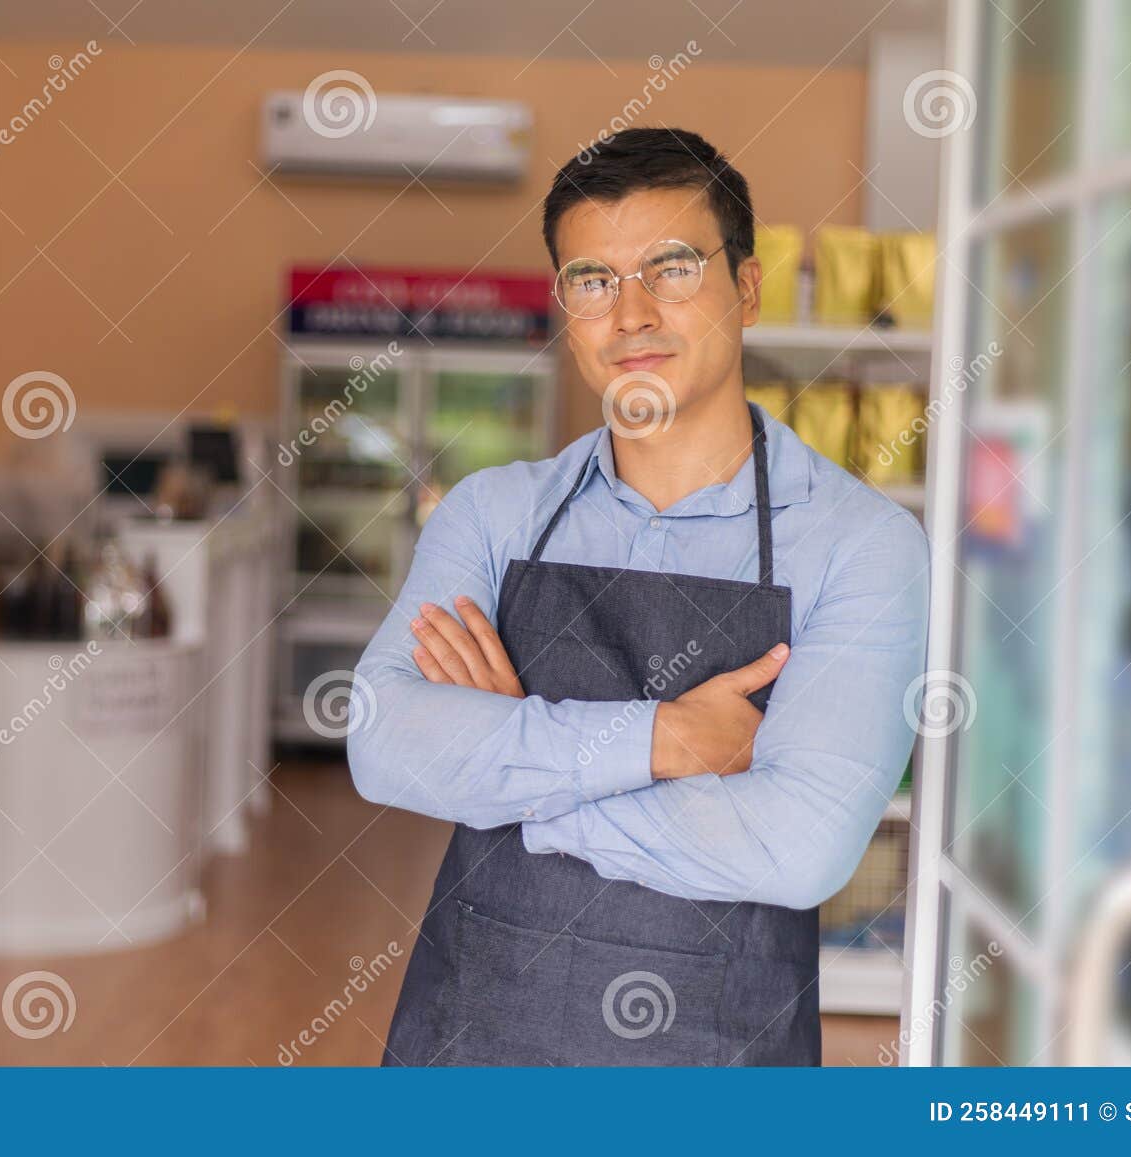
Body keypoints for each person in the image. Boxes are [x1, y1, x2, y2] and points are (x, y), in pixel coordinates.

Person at [348, 127, 930, 1066]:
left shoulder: (863, 546)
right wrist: (662, 741)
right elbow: (382, 743)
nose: (630, 315)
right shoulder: (492, 514)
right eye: (592, 279)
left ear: (745, 285)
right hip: (469, 1041)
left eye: (670, 268)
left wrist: (513, 760)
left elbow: (798, 848)